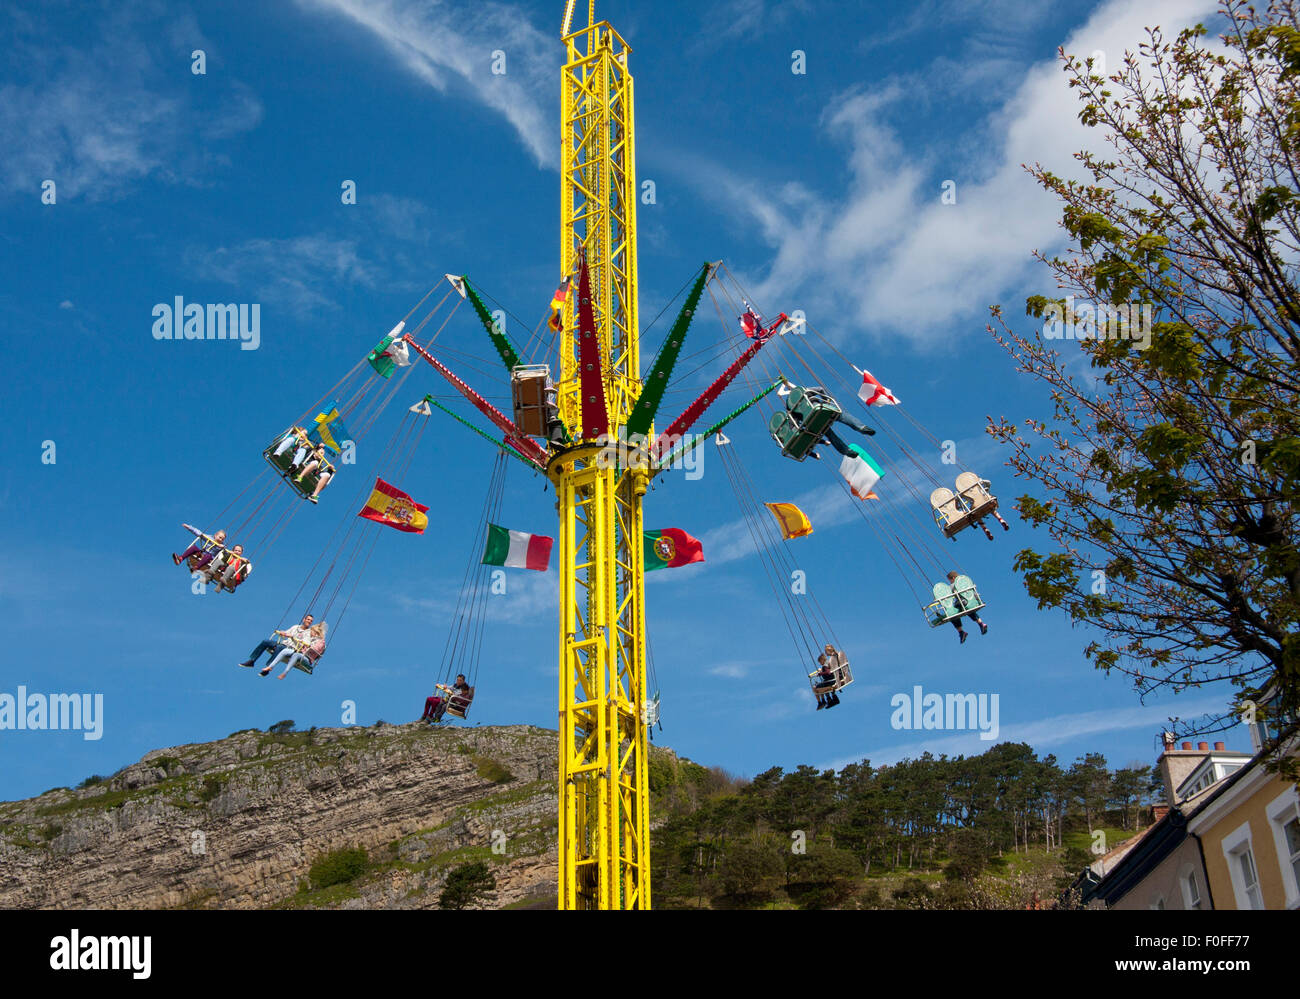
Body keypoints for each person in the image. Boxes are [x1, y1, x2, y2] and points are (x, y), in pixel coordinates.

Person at [238, 613, 313, 669]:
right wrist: (282, 633)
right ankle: (252, 661)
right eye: (308, 619)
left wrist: (292, 636)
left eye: (311, 621)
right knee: (266, 641)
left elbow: (306, 644)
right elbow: (287, 633)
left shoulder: (308, 633)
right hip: (284, 644)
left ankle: (268, 667)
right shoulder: (296, 627)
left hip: (292, 649)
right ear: (304, 619)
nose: (309, 621)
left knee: (279, 647)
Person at [947, 571, 989, 644]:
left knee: (953, 614)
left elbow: (948, 593)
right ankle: (981, 623)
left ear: (953, 578)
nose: (950, 582)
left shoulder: (953, 585)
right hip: (974, 600)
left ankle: (961, 631)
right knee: (968, 608)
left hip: (964, 602)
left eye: (950, 580)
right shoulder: (966, 581)